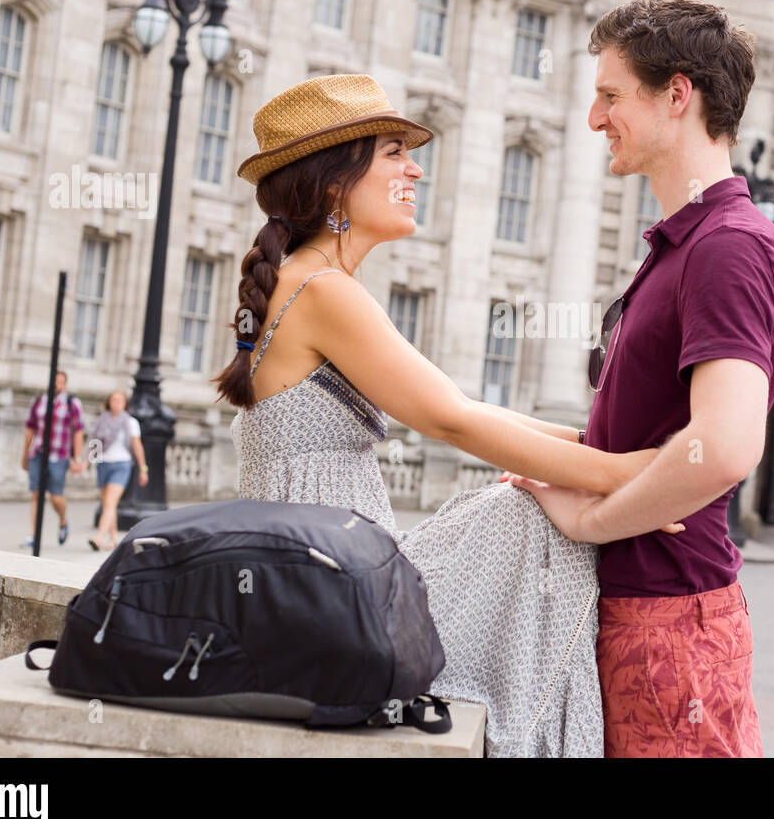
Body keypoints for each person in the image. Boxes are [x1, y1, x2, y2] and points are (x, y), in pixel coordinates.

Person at [214, 74, 678, 757]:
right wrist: (624, 474)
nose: (415, 167)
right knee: (528, 518)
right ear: (337, 180)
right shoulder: (321, 288)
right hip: (329, 601)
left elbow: (465, 407)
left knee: (518, 505)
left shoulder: (310, 282)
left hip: (326, 584)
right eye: (394, 151)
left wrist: (596, 448)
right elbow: (454, 420)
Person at [509, 0, 774, 757]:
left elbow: (726, 446)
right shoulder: (687, 245)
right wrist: (476, 426)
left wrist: (589, 520)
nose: (594, 118)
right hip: (646, 610)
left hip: (668, 619)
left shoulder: (730, 246)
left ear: (677, 95)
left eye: (610, 96)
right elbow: (627, 439)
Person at [20, 369, 86, 548]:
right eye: (54, 381)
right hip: (38, 453)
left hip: (60, 455)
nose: (56, 384)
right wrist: (25, 454)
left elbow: (79, 431)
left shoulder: (72, 403)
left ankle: (63, 521)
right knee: (36, 494)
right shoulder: (38, 401)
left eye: (60, 381)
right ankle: (34, 534)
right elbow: (30, 429)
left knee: (55, 497)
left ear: (64, 384)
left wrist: (77, 458)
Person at [88, 389, 148, 551]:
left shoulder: (130, 422)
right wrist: (89, 462)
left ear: (125, 404)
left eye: (120, 401)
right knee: (109, 505)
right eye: (114, 400)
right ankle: (114, 538)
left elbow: (137, 445)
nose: (116, 404)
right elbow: (95, 442)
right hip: (103, 464)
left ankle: (99, 537)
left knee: (110, 502)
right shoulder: (101, 420)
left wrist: (143, 468)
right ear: (109, 402)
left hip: (121, 465)